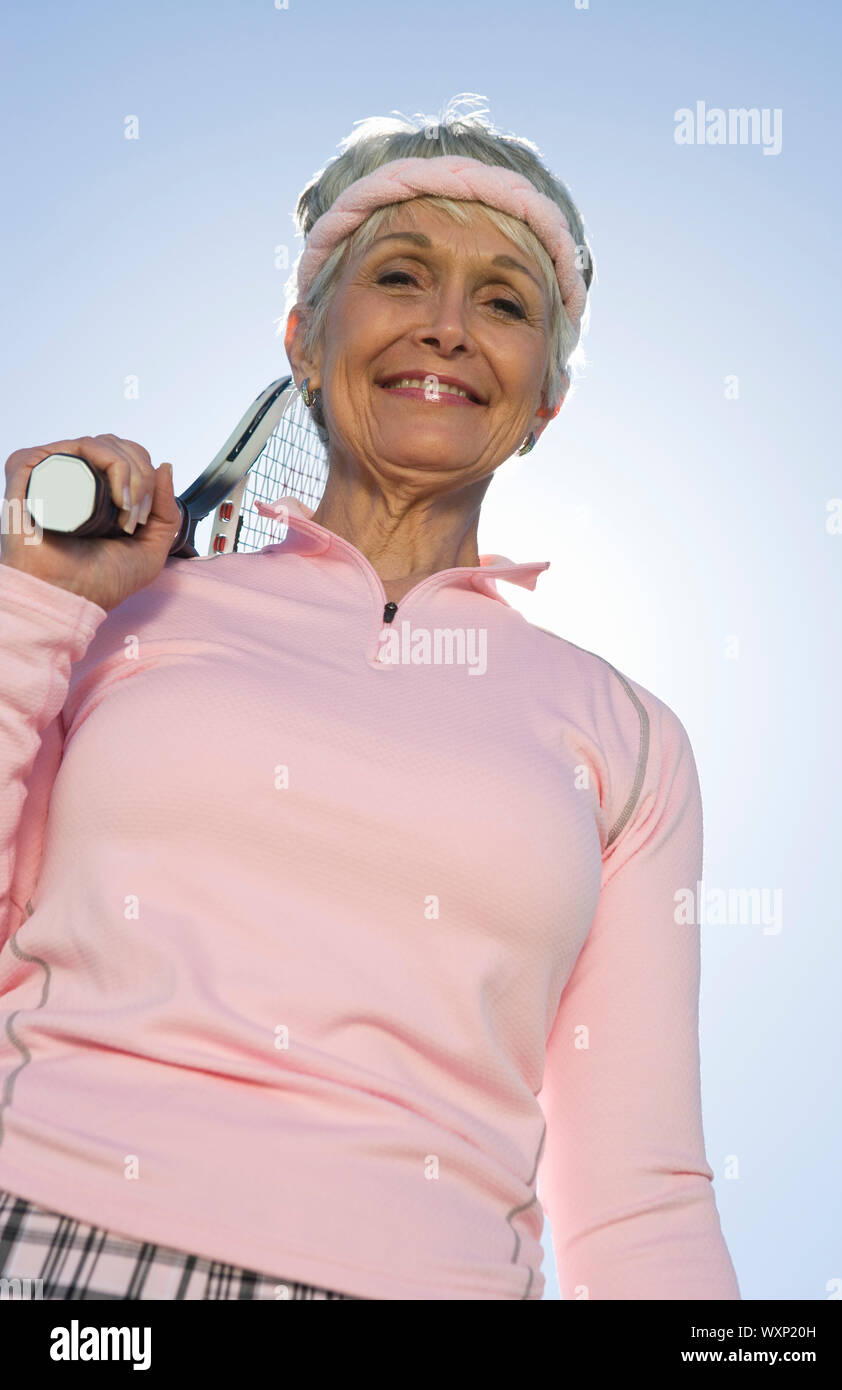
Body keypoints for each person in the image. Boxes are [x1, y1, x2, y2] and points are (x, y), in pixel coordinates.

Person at [0, 95, 740, 1300]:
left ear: (543, 401)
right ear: (304, 338)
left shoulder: (632, 740)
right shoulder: (112, 618)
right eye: (400, 276)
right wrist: (31, 600)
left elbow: (638, 1196)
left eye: (503, 302)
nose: (447, 326)